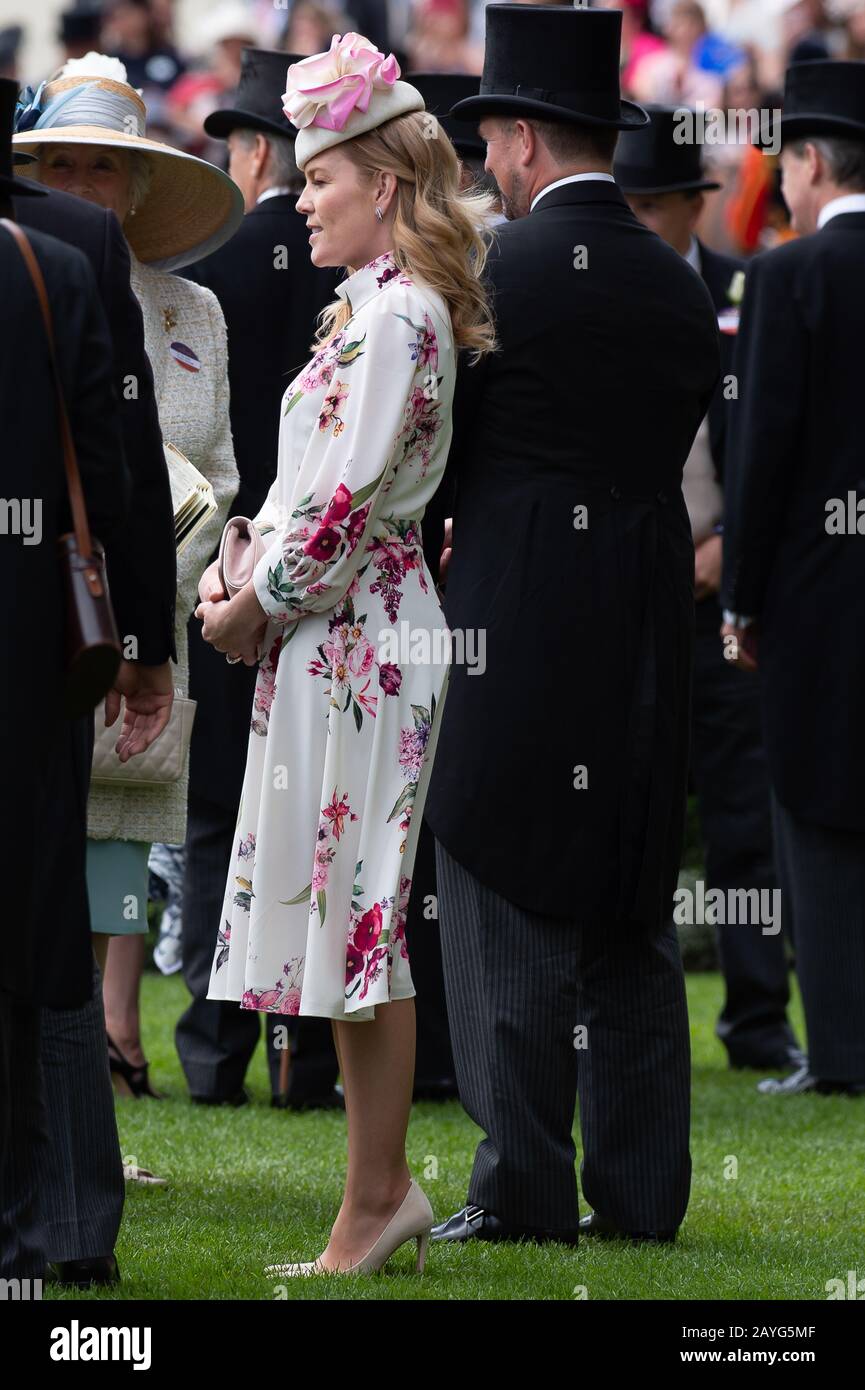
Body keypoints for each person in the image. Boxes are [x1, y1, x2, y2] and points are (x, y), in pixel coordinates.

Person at [196, 31, 495, 1274]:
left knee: (365, 912)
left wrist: (253, 598)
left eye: (317, 176)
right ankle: (374, 1194)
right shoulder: (368, 307)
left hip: (358, 632)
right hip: (332, 630)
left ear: (382, 179)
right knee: (348, 917)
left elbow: (351, 497)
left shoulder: (406, 312)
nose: (299, 198)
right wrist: (242, 559)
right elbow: (302, 486)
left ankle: (377, 1199)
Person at [425, 3, 720, 1247]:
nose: (488, 160)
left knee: (500, 881)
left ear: (526, 140)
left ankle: (524, 1189)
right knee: (629, 896)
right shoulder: (673, 279)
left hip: (514, 605)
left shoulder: (492, 273)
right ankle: (643, 1193)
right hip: (646, 611)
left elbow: (438, 459)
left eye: (493, 136)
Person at [14, 51, 242, 1096]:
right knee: (62, 825)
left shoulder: (196, 312)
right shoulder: (34, 272)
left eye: (101, 168)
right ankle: (89, 1049)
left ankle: (119, 1027)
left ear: (138, 183)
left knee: (131, 819)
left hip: (160, 600)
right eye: (57, 162)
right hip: (57, 599)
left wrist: (177, 560)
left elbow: (223, 467)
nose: (79, 185)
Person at [0, 73, 168, 1283]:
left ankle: (62, 1220)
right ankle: (60, 1226)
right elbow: (115, 463)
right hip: (28, 648)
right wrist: (143, 641)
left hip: (37, 650)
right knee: (44, 919)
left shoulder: (67, 244)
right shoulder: (67, 248)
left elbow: (115, 452)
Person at [614, 106, 805, 1076]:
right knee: (620, 809)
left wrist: (728, 545)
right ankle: (617, 1017)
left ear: (699, 203)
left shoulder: (744, 292)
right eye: (629, 204)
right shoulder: (596, 294)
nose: (643, 222)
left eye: (659, 205)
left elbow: (781, 442)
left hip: (719, 596)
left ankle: (756, 1015)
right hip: (620, 596)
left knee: (741, 814)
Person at [177, 46, 343, 1109]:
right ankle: (309, 1050)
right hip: (329, 576)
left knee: (216, 815)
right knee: (317, 811)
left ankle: (211, 1040)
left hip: (236, 566)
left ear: (250, 150)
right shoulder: (360, 265)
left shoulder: (217, 266)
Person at [722, 59, 865, 1098]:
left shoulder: (785, 277)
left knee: (813, 819)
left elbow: (760, 451)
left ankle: (844, 1052)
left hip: (814, 591)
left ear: (811, 162)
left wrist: (739, 597)